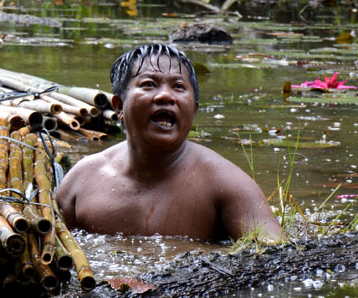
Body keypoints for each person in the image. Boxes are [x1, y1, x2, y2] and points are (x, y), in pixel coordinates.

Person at [55, 43, 283, 243]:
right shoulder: (81, 181)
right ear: (118, 106)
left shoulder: (225, 183)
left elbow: (278, 260)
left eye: (179, 87)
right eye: (148, 84)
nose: (165, 96)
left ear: (194, 109)